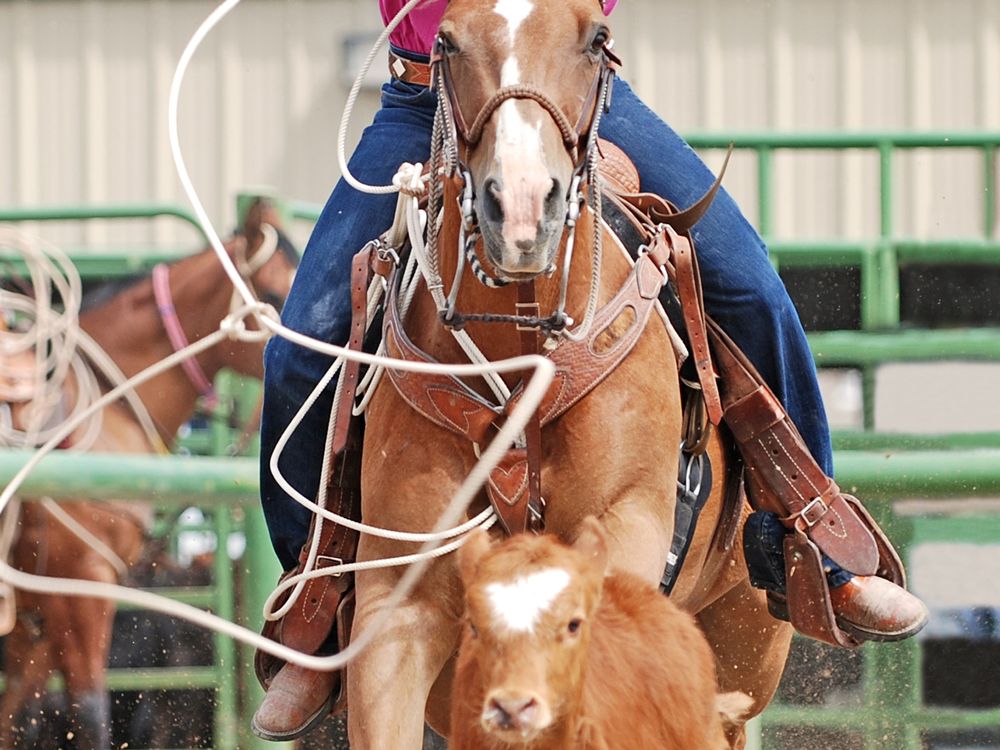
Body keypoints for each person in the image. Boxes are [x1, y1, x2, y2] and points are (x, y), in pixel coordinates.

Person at [252, 0, 928, 741]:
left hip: (573, 87)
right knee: (300, 349)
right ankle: (317, 597)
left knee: (753, 289)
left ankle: (812, 537)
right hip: (434, 92)